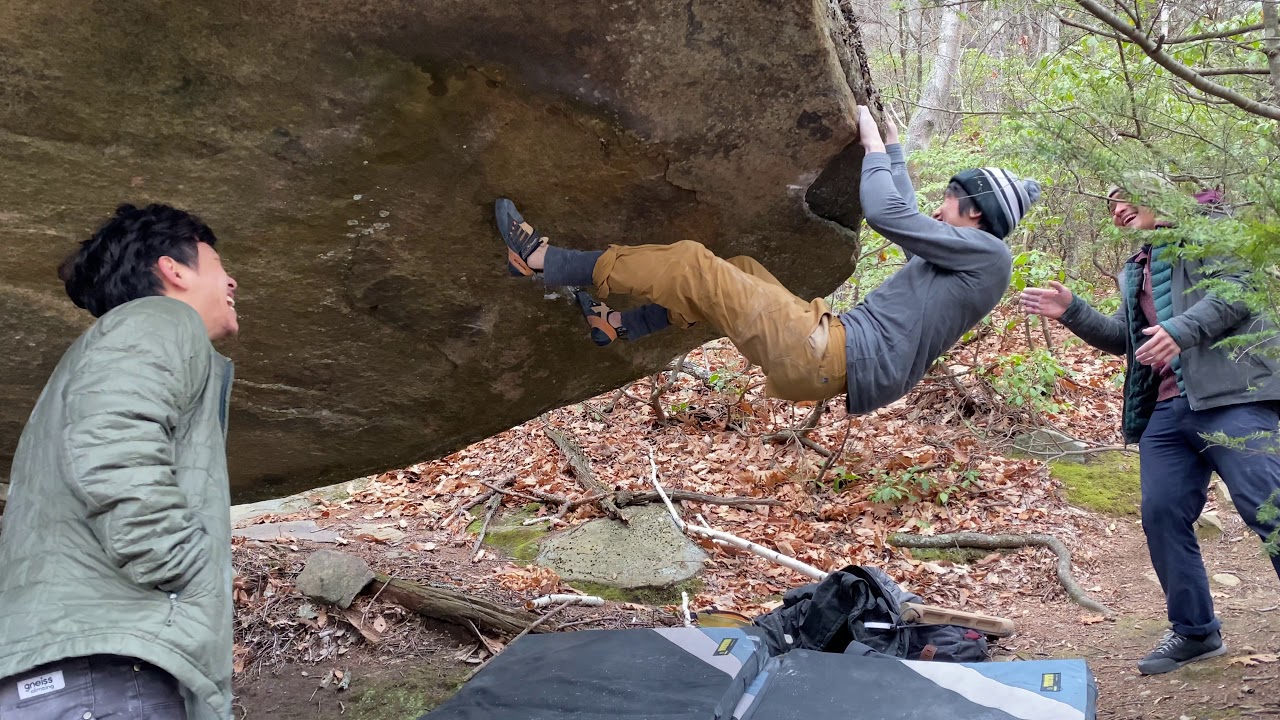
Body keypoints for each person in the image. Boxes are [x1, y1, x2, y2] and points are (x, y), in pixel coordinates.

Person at [495, 106, 1040, 414]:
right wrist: (893, 150)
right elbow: (907, 218)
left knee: (691, 264)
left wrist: (873, 146)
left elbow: (888, 215)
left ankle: (545, 260)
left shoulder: (990, 258)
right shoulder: (971, 256)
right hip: (826, 350)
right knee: (739, 269)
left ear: (973, 211)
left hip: (827, 350)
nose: (941, 206)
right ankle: (616, 325)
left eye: (951, 197)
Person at [1019, 181, 1280, 675]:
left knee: (1270, 509)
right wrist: (1073, 311)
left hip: (1233, 397)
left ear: (1156, 190)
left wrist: (1180, 332)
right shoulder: (1137, 266)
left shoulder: (1213, 231)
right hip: (1166, 410)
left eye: (1123, 198)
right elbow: (1130, 341)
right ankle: (1195, 632)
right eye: (1109, 201)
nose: (1115, 209)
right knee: (1161, 515)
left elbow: (1239, 291)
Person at [0, 204, 240, 719]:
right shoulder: (157, 319)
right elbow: (113, 443)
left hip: (67, 675)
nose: (232, 281)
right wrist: (184, 571)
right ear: (173, 270)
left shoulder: (97, 353)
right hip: (102, 675)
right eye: (218, 265)